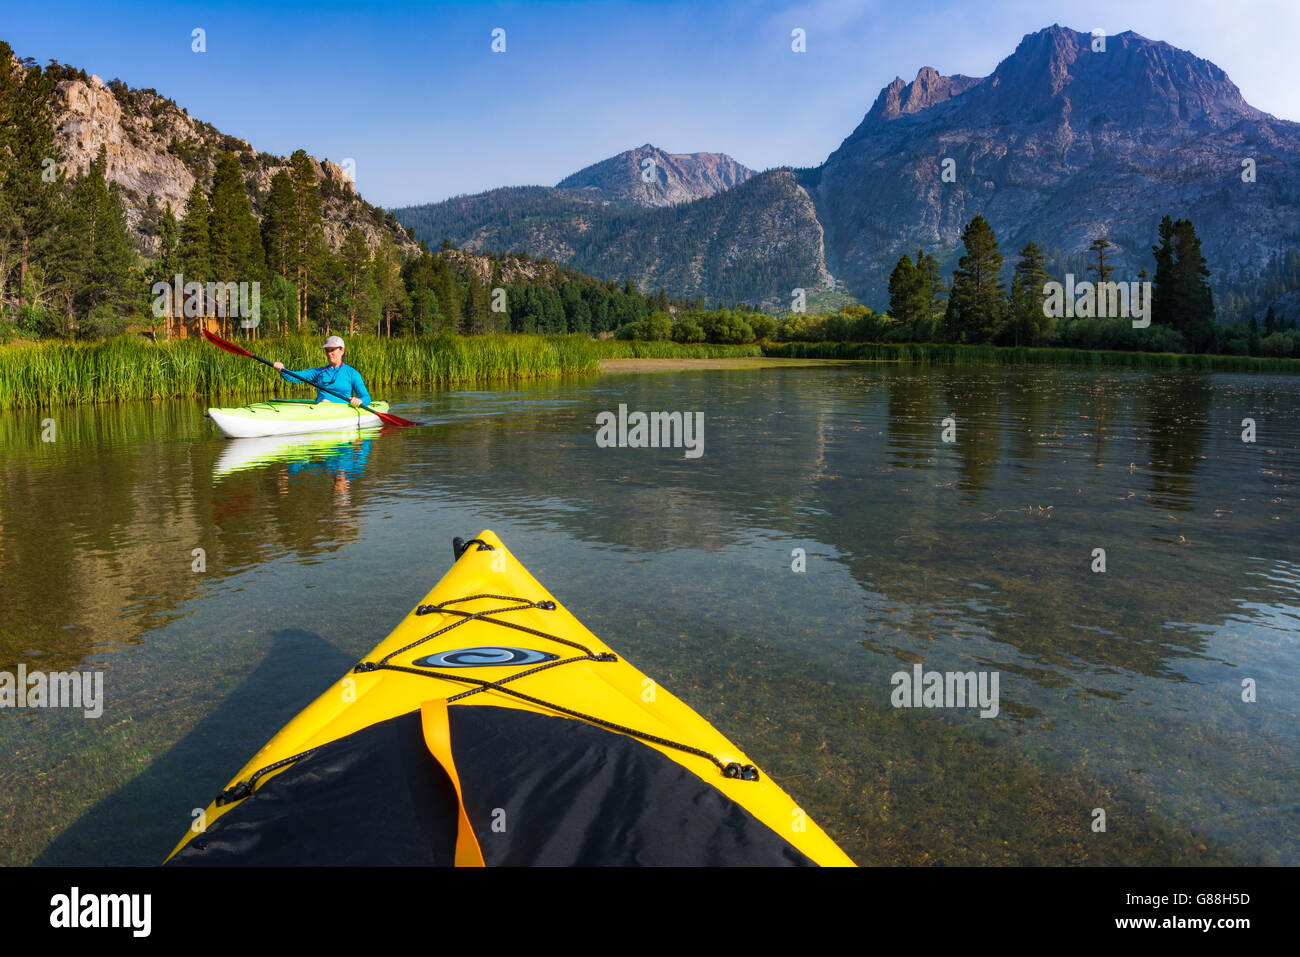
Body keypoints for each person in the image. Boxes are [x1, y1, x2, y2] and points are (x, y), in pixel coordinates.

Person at [273, 335, 371, 406]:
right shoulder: (318, 372)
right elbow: (293, 377)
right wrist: (282, 369)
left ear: (342, 351)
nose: (329, 353)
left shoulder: (352, 373)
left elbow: (366, 398)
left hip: (342, 410)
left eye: (332, 350)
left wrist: (360, 401)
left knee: (325, 403)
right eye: (327, 350)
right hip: (320, 408)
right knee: (324, 402)